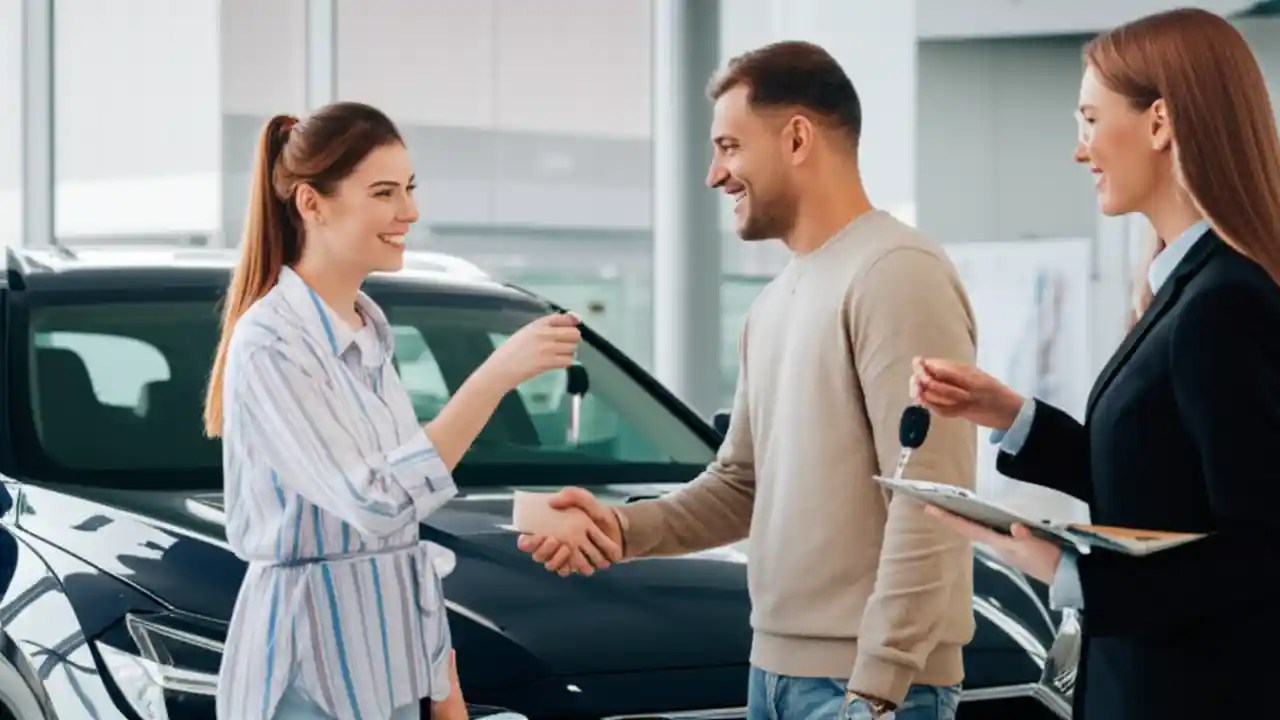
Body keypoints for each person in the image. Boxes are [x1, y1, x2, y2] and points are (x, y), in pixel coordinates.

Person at [518, 42, 978, 720]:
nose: (715, 175)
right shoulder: (773, 303)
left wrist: (878, 687)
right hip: (778, 676)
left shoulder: (896, 274)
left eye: (730, 147)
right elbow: (742, 484)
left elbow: (931, 501)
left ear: (796, 138)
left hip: (867, 690)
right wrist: (620, 527)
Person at [910, 8, 1280, 720]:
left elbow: (1262, 548)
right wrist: (1014, 416)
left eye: (1089, 120)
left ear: (1159, 122)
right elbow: (1160, 486)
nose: (1080, 151)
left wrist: (1072, 574)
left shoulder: (1223, 302)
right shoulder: (1188, 289)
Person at [203, 102, 617, 720]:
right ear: (312, 203)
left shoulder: (368, 331)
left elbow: (402, 513)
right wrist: (495, 376)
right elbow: (376, 501)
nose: (410, 211)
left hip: (384, 673)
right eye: (384, 192)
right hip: (307, 675)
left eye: (410, 188)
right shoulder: (272, 342)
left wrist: (446, 691)